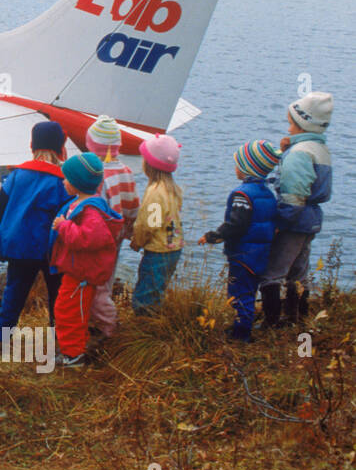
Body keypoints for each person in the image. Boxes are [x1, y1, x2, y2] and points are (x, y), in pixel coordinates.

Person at [0, 121, 72, 340]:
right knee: (57, 296)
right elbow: (69, 216)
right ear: (61, 147)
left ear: (32, 145)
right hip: (50, 250)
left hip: (19, 248)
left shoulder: (16, 175)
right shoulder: (63, 182)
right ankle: (58, 342)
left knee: (13, 294)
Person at [260, 92, 333, 327]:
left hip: (295, 221)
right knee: (298, 272)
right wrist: (286, 149)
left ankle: (271, 322)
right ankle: (297, 317)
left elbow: (294, 195)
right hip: (310, 219)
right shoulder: (319, 149)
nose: (288, 129)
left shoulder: (299, 154)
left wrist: (280, 225)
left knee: (272, 272)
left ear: (303, 123)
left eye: (291, 123)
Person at [198, 140, 282, 342]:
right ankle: (242, 326)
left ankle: (241, 334)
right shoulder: (268, 194)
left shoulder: (242, 195)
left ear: (246, 170)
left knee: (239, 293)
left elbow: (236, 225)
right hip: (261, 254)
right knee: (250, 292)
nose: (235, 168)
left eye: (238, 164)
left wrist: (212, 236)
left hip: (243, 254)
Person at [49, 153, 124, 367]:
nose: (63, 181)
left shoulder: (91, 211)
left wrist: (63, 226)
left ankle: (74, 355)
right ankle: (73, 348)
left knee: (69, 313)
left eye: (67, 178)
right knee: (68, 310)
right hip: (75, 272)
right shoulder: (81, 203)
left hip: (80, 275)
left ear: (77, 184)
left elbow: (87, 239)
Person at [84, 116, 139, 338]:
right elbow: (133, 206)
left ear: (92, 145)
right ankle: (97, 323)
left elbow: (93, 211)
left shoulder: (98, 175)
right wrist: (129, 232)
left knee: (97, 288)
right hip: (116, 239)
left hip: (99, 241)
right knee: (105, 281)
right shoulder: (125, 170)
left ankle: (109, 328)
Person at [129, 134, 184, 313]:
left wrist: (137, 241)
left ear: (149, 165)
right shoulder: (173, 190)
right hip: (173, 248)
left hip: (158, 251)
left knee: (144, 297)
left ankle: (144, 328)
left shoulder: (155, 192)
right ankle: (155, 323)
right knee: (156, 291)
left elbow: (149, 224)